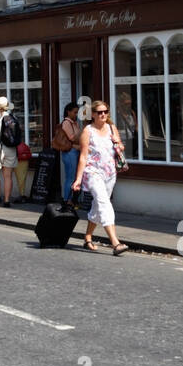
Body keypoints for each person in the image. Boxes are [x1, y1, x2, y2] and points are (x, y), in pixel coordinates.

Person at [71, 99, 129, 255]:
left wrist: (119, 143)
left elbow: (120, 148)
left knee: (98, 206)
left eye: (105, 112)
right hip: (92, 172)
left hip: (110, 173)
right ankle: (115, 243)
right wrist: (78, 179)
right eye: (99, 112)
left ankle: (88, 237)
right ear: (93, 115)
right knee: (104, 203)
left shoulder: (111, 128)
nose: (103, 114)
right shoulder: (87, 131)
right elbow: (83, 157)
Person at [55, 102, 82, 202]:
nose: (76, 114)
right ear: (68, 112)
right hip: (70, 152)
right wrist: (82, 134)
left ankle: (71, 199)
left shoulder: (74, 123)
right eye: (75, 112)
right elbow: (72, 138)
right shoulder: (67, 123)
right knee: (70, 177)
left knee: (73, 177)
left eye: (77, 112)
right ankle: (67, 199)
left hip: (74, 151)